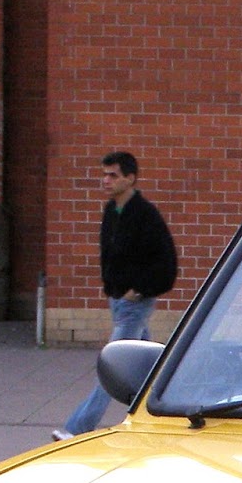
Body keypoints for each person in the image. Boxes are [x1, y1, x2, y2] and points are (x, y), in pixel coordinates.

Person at [53, 151, 178, 440]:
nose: (106, 181)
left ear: (130, 179)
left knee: (113, 366)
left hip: (134, 303)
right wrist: (112, 288)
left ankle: (78, 426)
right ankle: (167, 411)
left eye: (113, 175)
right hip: (118, 300)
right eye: (104, 174)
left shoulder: (145, 215)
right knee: (149, 369)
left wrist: (139, 290)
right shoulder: (112, 211)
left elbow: (166, 263)